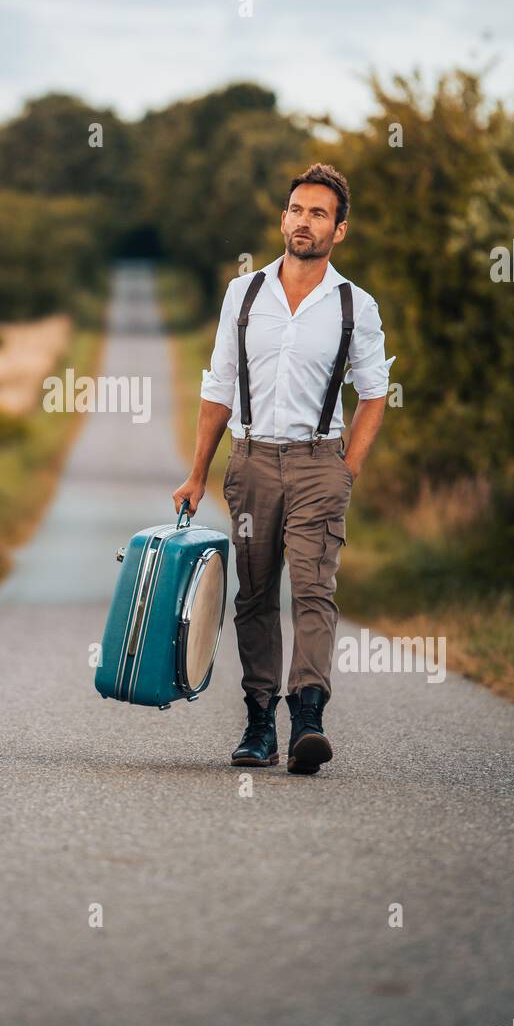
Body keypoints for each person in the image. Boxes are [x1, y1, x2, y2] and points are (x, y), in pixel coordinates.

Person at [172, 163, 394, 773]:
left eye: (319, 213)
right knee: (256, 595)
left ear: (339, 231)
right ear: (283, 218)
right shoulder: (242, 294)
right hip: (250, 463)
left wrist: (345, 470)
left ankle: (309, 717)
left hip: (320, 462)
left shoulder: (356, 306)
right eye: (297, 210)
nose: (304, 221)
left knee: (315, 591)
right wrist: (197, 473)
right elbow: (218, 387)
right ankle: (259, 723)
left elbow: (374, 394)